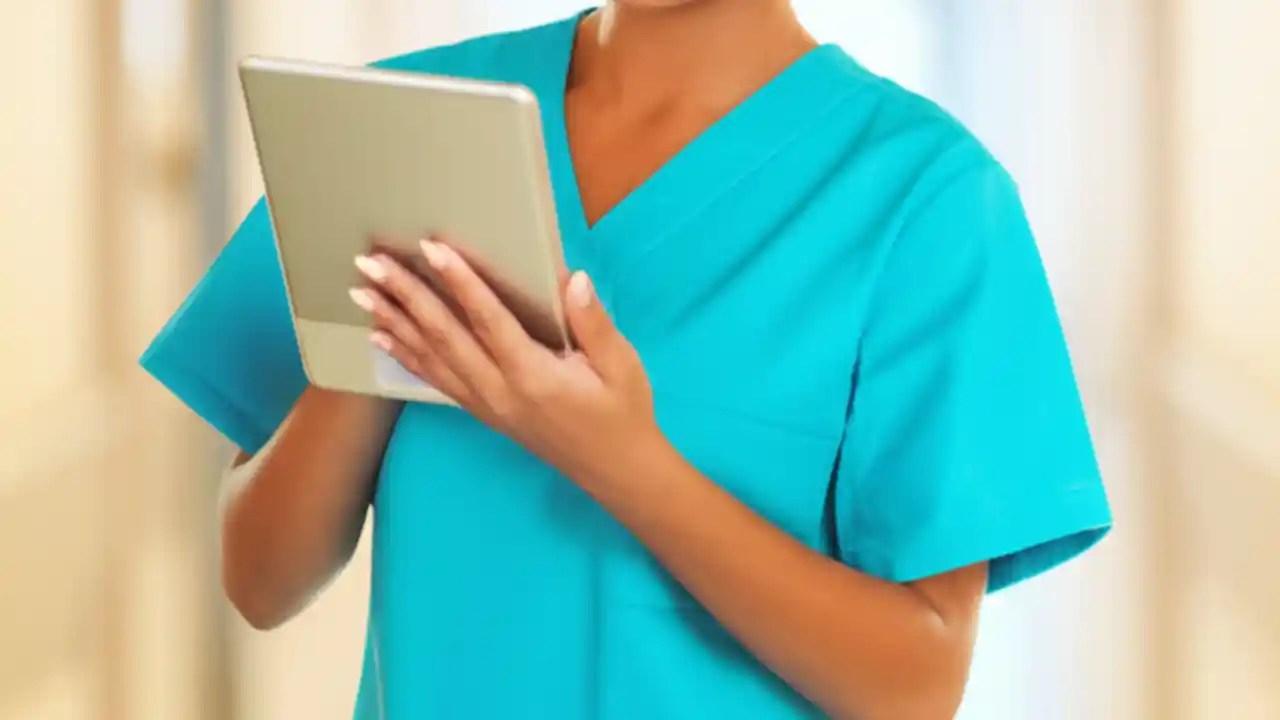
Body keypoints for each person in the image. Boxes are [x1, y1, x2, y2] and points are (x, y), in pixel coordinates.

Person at [141, 2, 1112, 718]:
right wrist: (397, 331)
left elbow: (914, 686)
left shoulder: (926, 198)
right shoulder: (398, 125)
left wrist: (623, 462)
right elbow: (260, 580)